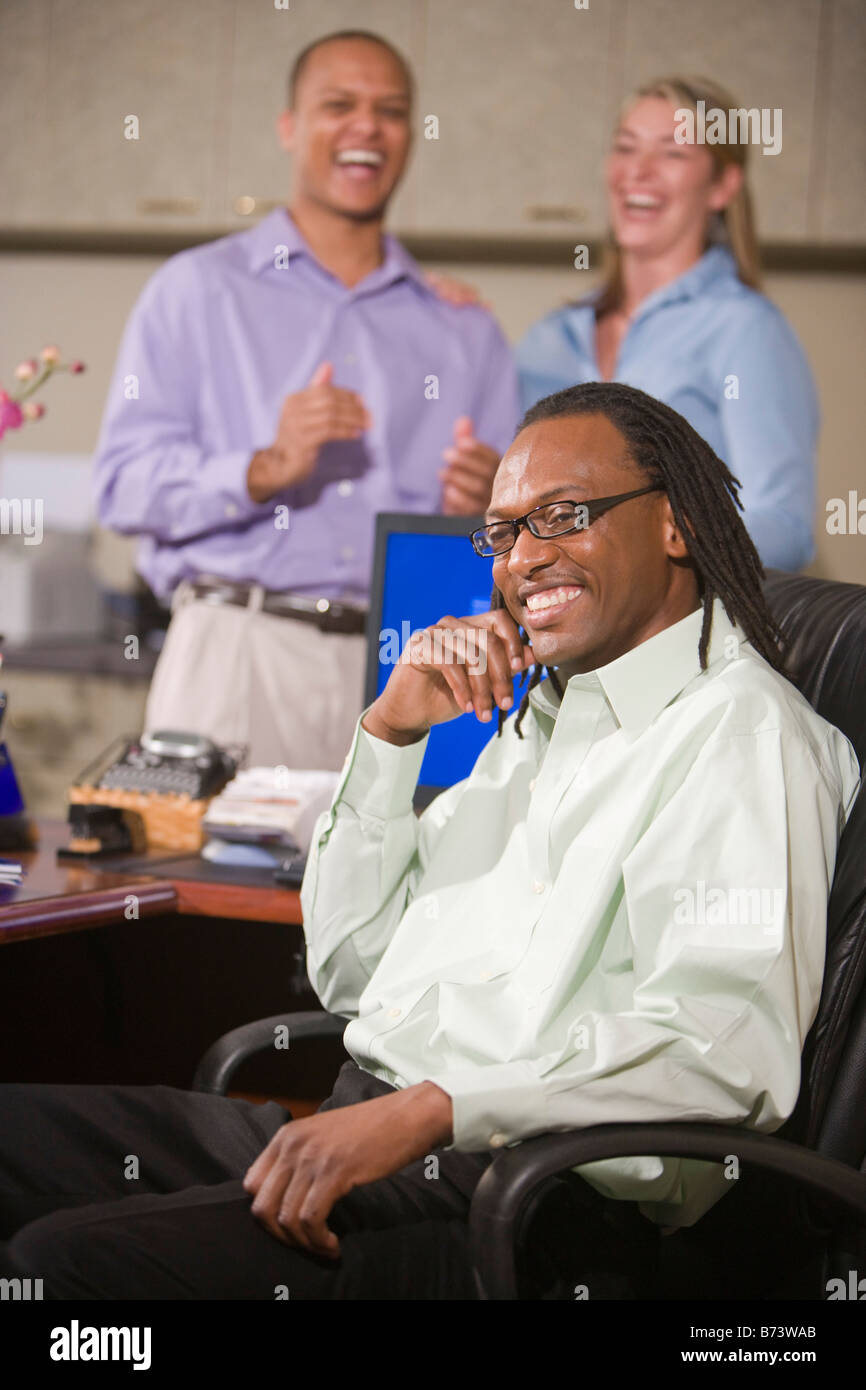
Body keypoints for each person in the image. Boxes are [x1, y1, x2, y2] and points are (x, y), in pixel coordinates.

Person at [1, 382, 858, 1300]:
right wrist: (389, 736)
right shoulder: (547, 714)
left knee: (63, 1270)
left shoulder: (740, 737)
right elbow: (356, 971)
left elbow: (718, 1051)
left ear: (675, 526)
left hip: (528, 1205)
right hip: (377, 1121)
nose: (523, 559)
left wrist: (439, 1109)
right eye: (504, 532)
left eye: (563, 517)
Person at [92, 29, 520, 770]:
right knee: (203, 888)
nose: (367, 128)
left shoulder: (466, 329)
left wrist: (495, 512)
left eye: (390, 111)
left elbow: (520, 545)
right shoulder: (196, 291)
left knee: (404, 886)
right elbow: (121, 488)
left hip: (411, 665)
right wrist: (264, 467)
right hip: (235, 655)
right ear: (289, 126)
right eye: (338, 105)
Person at [516, 76, 819, 573]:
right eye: (625, 148)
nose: (638, 171)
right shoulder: (550, 338)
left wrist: (659, 555)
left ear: (722, 185)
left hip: (683, 638)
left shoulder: (745, 328)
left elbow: (785, 527)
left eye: (672, 153)